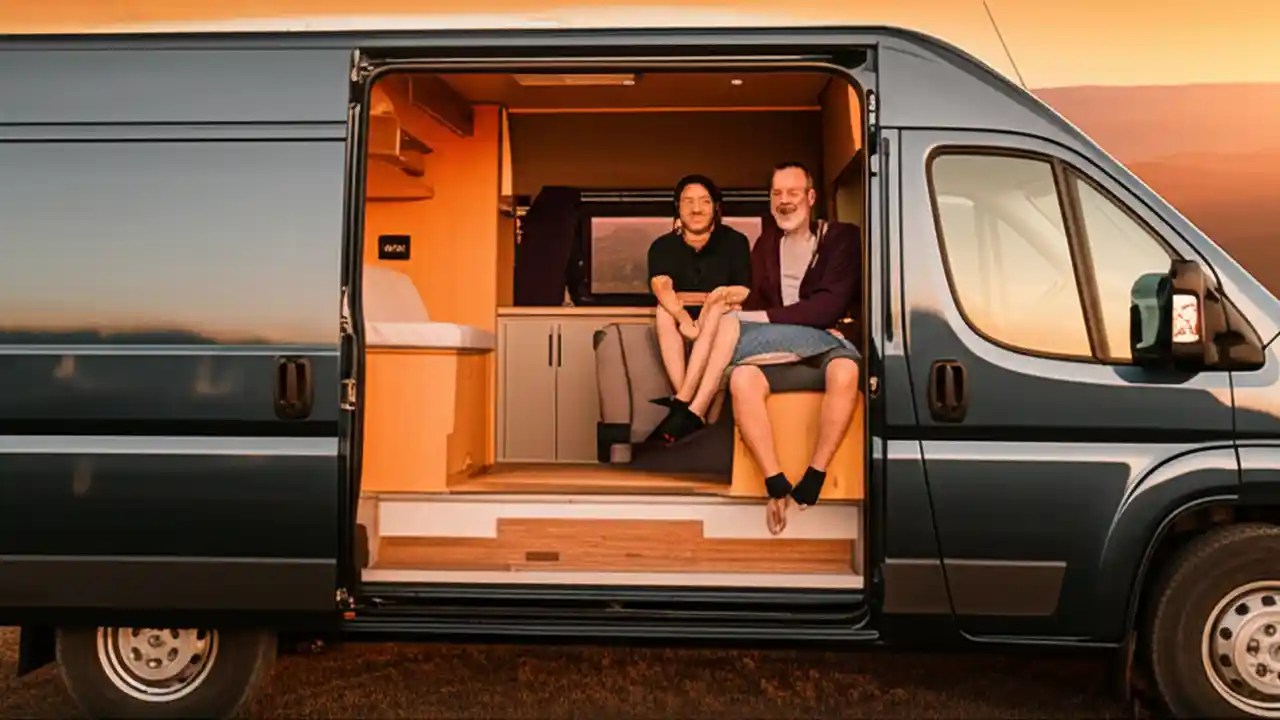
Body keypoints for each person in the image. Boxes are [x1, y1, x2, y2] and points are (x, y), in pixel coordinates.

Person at [728, 161, 862, 535]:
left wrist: (760, 318)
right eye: (777, 193)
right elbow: (755, 300)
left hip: (823, 347)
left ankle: (815, 474)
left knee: (846, 371)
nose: (784, 201)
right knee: (741, 379)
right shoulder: (765, 244)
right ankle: (774, 481)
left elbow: (828, 306)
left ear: (811, 196)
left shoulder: (841, 238)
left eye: (792, 192)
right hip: (778, 352)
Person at [646, 174, 752, 425]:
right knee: (663, 311)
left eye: (704, 201)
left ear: (715, 206)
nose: (696, 209)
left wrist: (716, 299)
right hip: (680, 315)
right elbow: (661, 287)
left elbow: (743, 290)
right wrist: (684, 319)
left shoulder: (735, 242)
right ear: (678, 207)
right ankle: (692, 408)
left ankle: (683, 403)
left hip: (722, 316)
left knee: (721, 312)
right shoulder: (662, 246)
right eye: (688, 202)